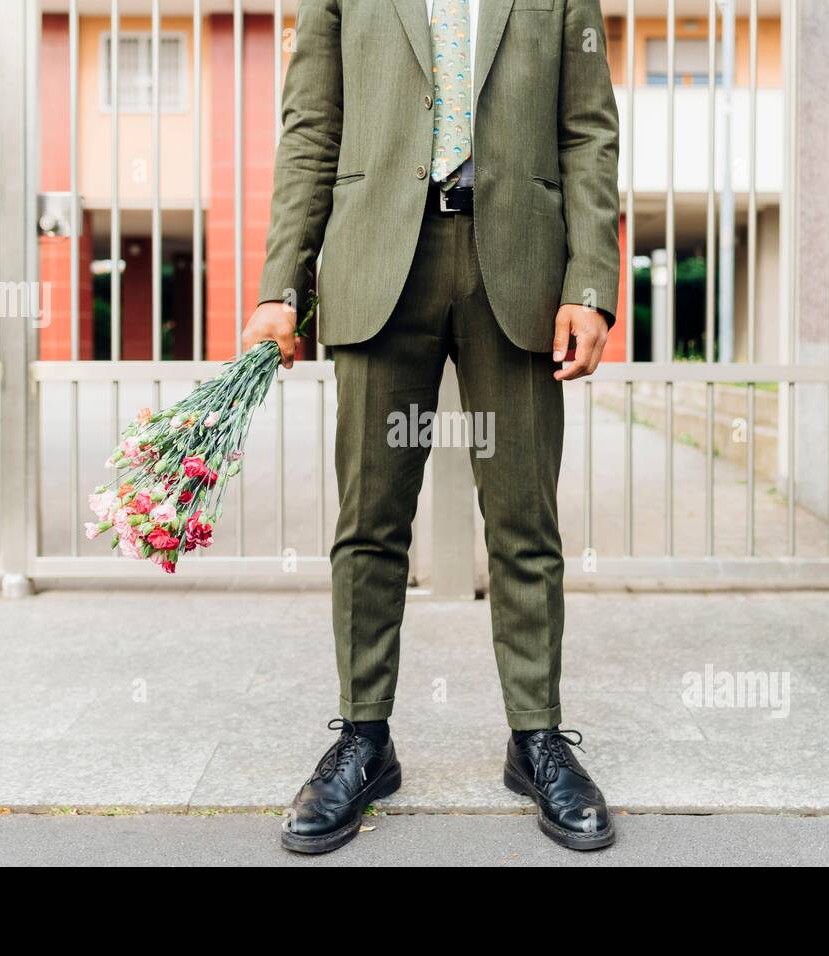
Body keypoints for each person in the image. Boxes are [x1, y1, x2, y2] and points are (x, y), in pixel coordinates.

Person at [243, 0, 620, 853]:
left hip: (518, 264)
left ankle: (538, 739)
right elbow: (310, 127)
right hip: (379, 261)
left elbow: (589, 131)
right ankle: (363, 739)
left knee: (526, 521)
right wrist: (281, 282)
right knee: (370, 523)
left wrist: (590, 283)